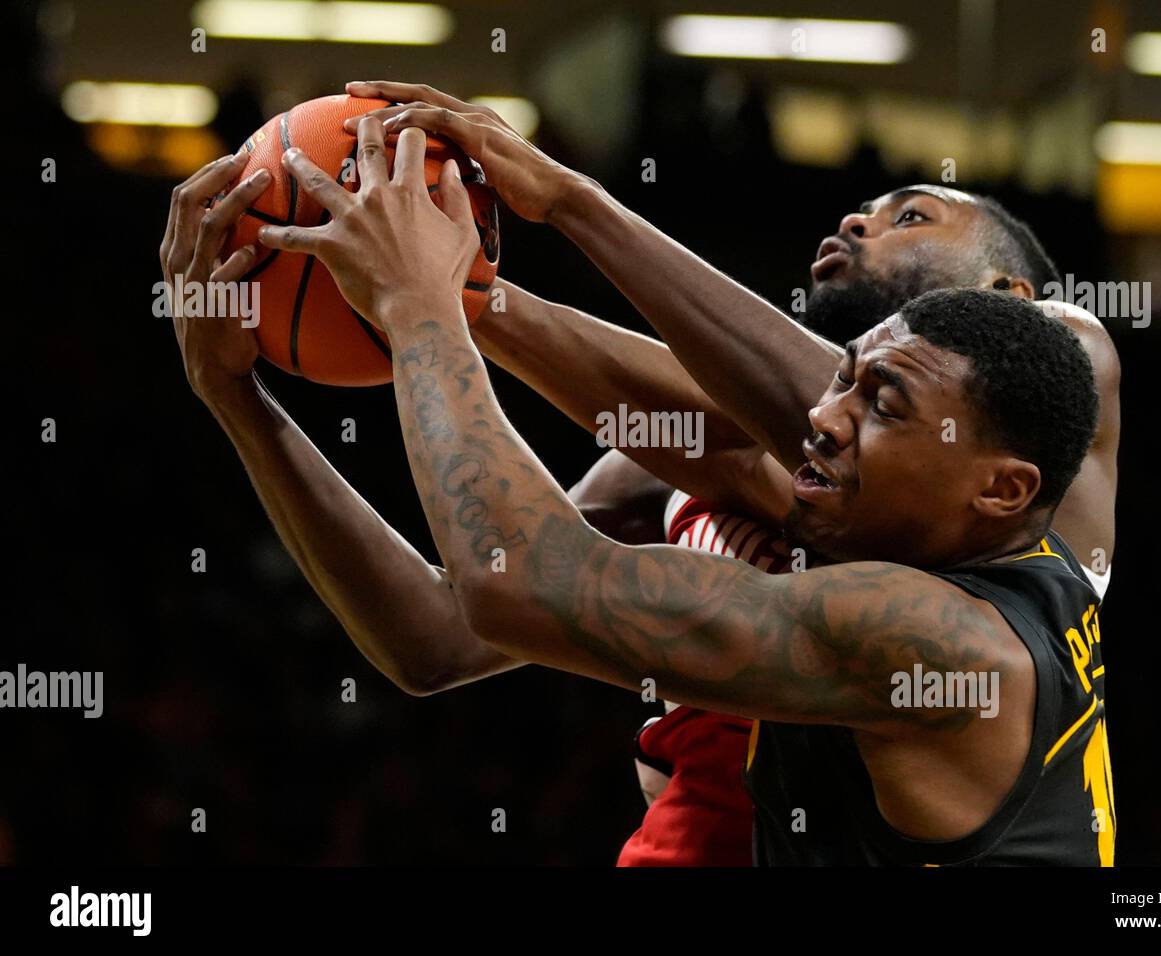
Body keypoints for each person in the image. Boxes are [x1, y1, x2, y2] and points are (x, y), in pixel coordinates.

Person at [251, 117, 1114, 863]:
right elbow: (442, 635)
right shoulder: (735, 458)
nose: (859, 218)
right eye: (847, 383)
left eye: (913, 216)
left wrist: (454, 283)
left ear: (1011, 302)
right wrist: (248, 394)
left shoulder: (1069, 384)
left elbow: (526, 579)